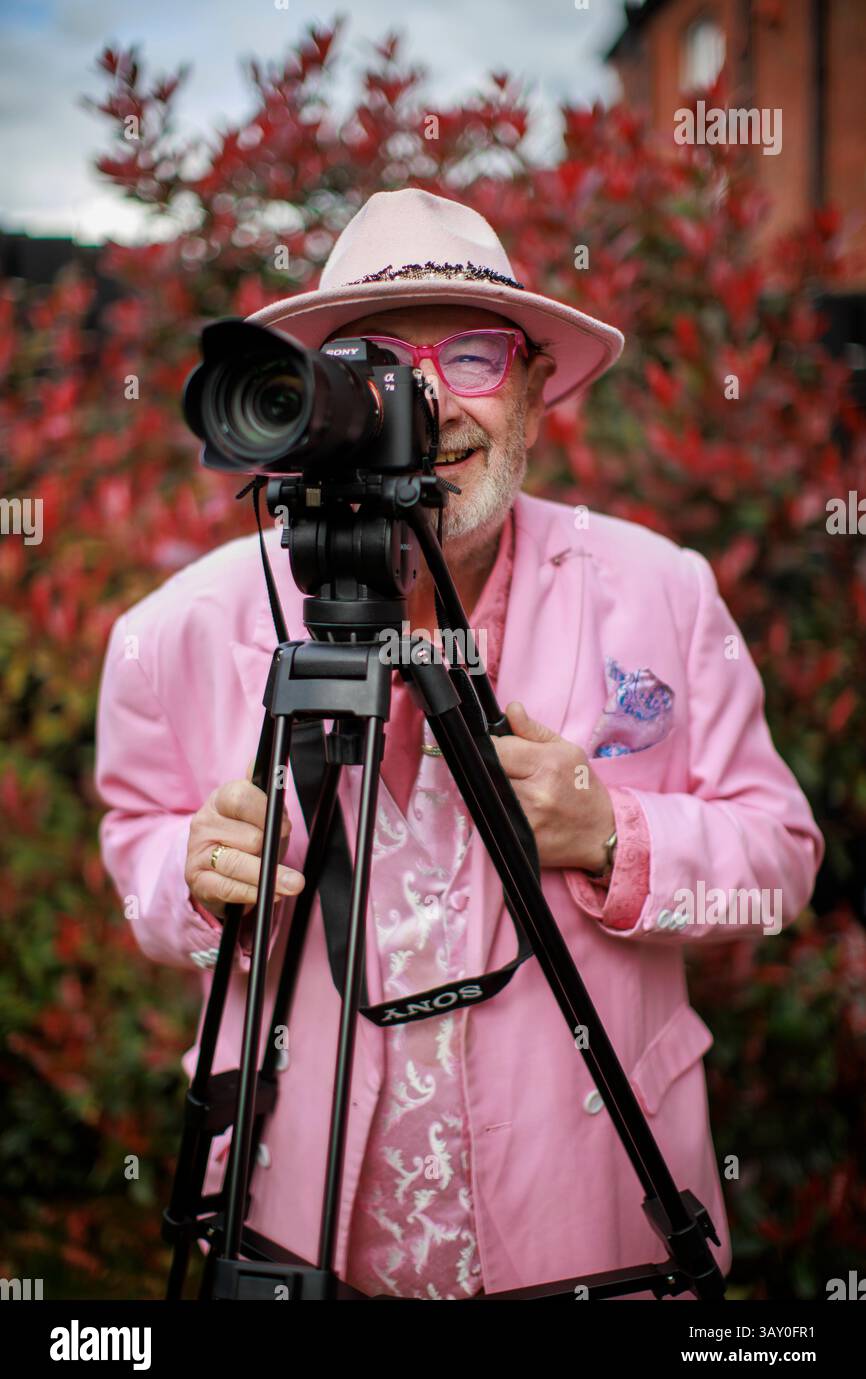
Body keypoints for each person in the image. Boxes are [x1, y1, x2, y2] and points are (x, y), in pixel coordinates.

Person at [94, 188, 824, 1300]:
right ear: (307, 400)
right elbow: (136, 840)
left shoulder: (660, 593)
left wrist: (612, 833)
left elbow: (778, 863)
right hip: (297, 1225)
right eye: (372, 364)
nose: (423, 403)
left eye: (472, 356)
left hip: (594, 1221)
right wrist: (187, 879)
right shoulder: (176, 630)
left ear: (536, 391)